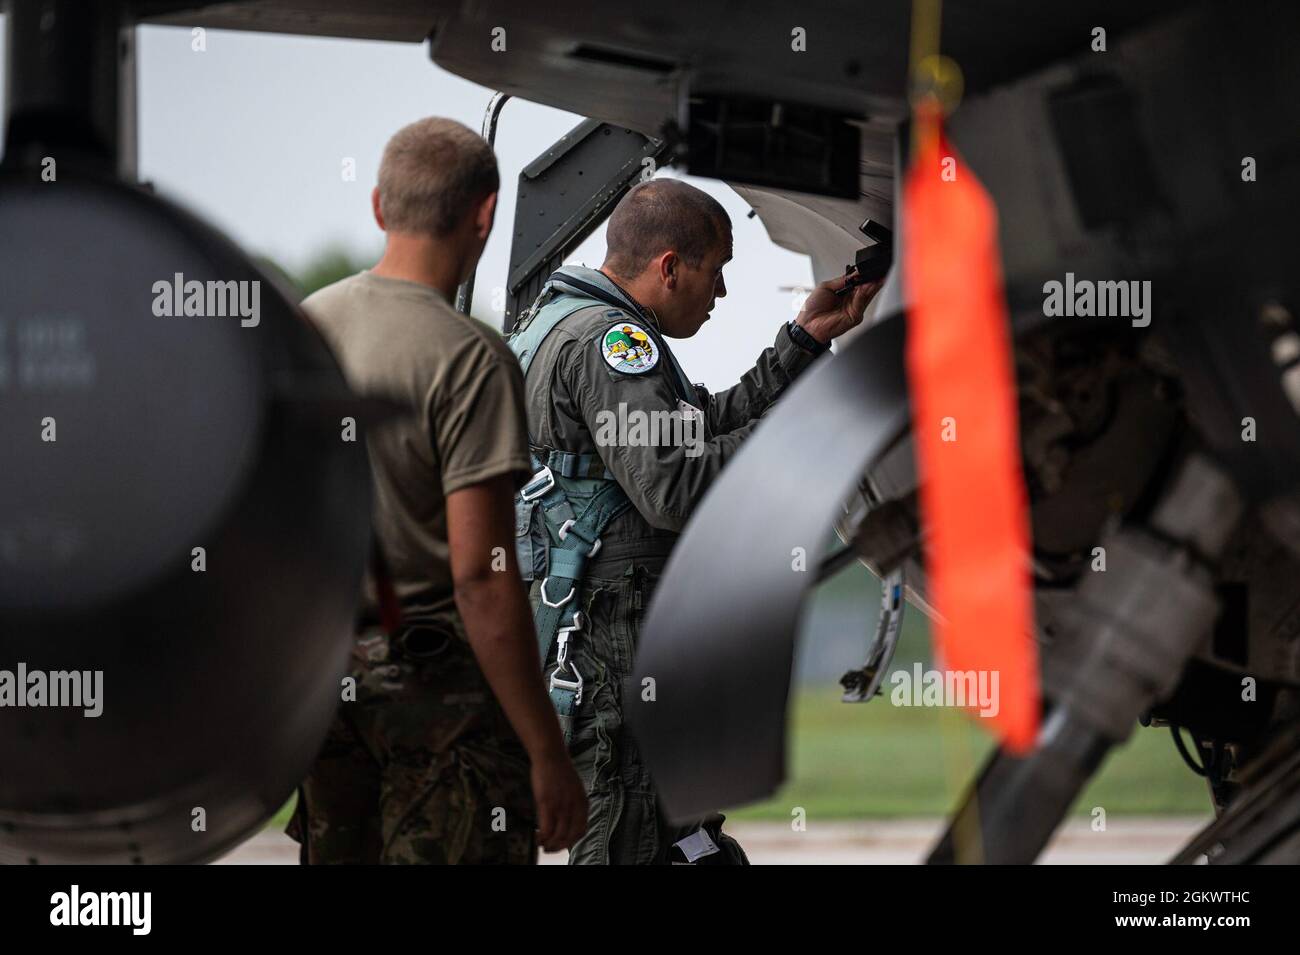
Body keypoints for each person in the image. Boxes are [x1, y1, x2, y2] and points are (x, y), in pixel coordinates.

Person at [508, 177, 880, 864]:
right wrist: (805, 425)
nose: (723, 293)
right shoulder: (610, 343)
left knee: (683, 844)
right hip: (614, 647)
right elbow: (673, 485)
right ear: (670, 266)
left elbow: (691, 429)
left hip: (601, 637)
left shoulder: (565, 322)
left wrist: (802, 341)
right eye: (718, 271)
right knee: (637, 844)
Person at [288, 117, 586, 864]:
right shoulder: (469, 357)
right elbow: (479, 574)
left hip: (322, 683)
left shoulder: (304, 327)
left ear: (380, 207)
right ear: (485, 214)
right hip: (433, 692)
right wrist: (544, 749)